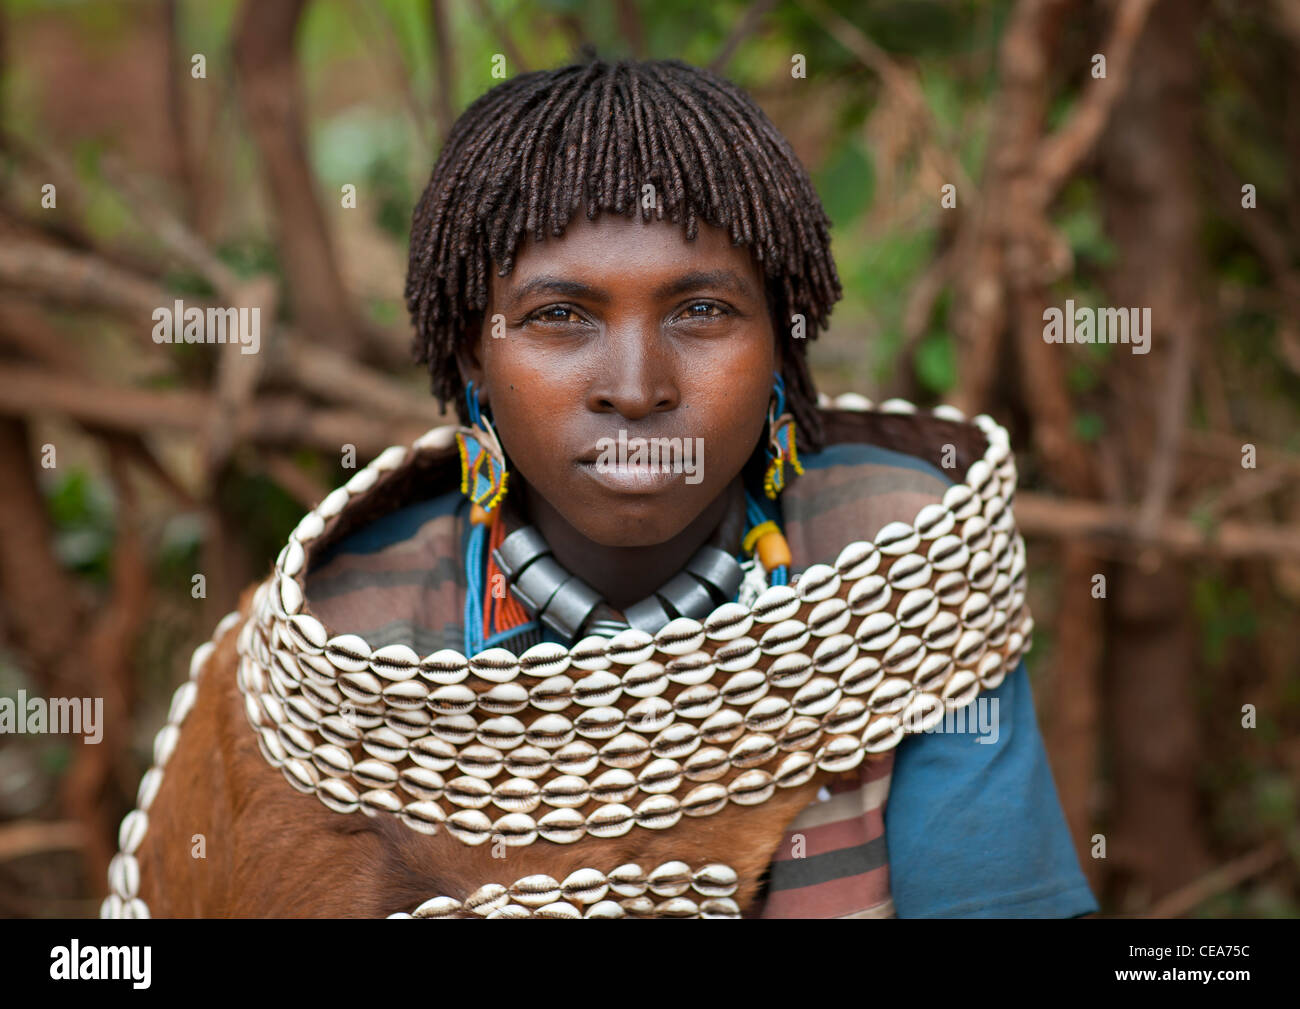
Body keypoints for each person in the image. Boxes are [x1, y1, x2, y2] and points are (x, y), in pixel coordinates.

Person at [106, 57, 1097, 919]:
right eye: (561, 316)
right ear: (472, 357)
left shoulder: (899, 569)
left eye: (702, 309)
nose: (636, 387)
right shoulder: (330, 661)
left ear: (783, 345)